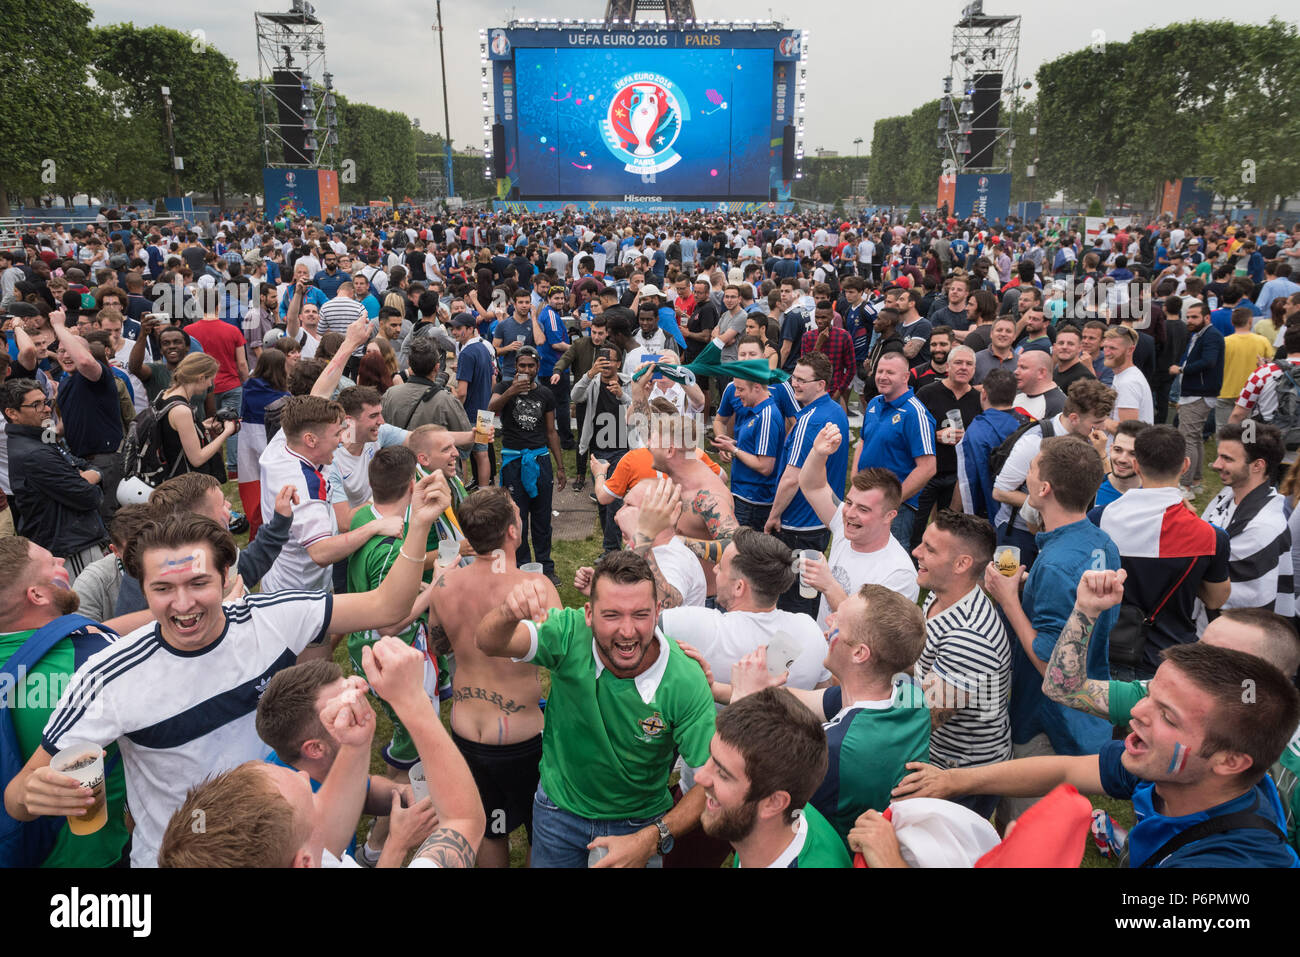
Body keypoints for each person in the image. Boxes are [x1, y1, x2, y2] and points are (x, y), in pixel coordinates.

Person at [6, 476, 448, 868]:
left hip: (294, 845)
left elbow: (387, 605)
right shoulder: (107, 674)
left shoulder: (270, 619)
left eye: (198, 583)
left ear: (225, 576)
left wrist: (420, 524)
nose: (182, 604)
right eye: (162, 589)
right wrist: (33, 796)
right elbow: (17, 796)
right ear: (143, 589)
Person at [897, 639, 1300, 867]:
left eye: (1169, 717)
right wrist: (953, 779)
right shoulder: (1171, 769)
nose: (1136, 715)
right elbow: (1067, 770)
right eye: (1149, 695)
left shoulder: (1230, 862)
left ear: (1230, 761)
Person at [475, 550, 716, 868]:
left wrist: (650, 838)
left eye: (640, 614)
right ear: (588, 614)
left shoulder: (684, 680)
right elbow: (488, 642)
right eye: (612, 615)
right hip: (558, 812)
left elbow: (709, 782)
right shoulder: (569, 633)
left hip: (639, 823)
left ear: (658, 611)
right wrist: (508, 611)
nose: (627, 632)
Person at [159, 636, 485, 867]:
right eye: (308, 795)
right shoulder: (308, 844)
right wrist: (413, 700)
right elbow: (463, 819)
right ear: (305, 861)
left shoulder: (290, 850)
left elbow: (330, 826)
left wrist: (357, 743)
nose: (303, 777)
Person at [715, 584, 930, 847]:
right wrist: (718, 688)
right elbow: (810, 702)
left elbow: (748, 794)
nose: (828, 620)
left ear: (859, 653)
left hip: (821, 852)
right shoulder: (909, 695)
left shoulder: (834, 749)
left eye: (838, 620)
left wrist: (740, 701)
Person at [982, 436, 1122, 823]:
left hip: (1048, 721)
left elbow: (1052, 667)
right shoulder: (1101, 541)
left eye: (1031, 467)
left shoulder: (1057, 566)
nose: (1025, 473)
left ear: (1044, 488)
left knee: (1028, 831)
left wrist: (1008, 598)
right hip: (1087, 711)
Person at [422, 487, 546, 867]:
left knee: (490, 829)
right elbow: (567, 658)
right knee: (540, 830)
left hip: (466, 731)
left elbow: (438, 644)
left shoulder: (444, 586)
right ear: (512, 531)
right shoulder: (534, 589)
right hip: (522, 736)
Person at [0, 537, 129, 867]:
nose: (61, 560)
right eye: (50, 563)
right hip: (91, 854)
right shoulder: (96, 662)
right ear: (38, 595)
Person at [1089, 424, 1231, 680]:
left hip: (1106, 649)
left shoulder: (1099, 518)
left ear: (1137, 466)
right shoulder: (1211, 537)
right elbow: (1215, 599)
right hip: (1168, 657)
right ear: (1186, 465)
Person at [253, 659, 417, 866]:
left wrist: (402, 794)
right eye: (343, 708)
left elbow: (361, 788)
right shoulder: (292, 829)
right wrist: (397, 844)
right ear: (315, 749)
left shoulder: (300, 763)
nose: (360, 704)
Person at [912, 510, 1011, 818]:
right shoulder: (941, 595)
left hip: (962, 777)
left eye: (930, 549)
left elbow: (923, 717)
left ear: (962, 564)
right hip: (942, 760)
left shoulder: (970, 639)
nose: (916, 552)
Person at [258, 395, 405, 598]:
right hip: (297, 596)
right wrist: (375, 526)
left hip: (279, 577)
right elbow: (321, 552)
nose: (342, 440)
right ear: (310, 440)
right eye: (337, 434)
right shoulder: (305, 490)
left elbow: (320, 389)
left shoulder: (281, 445)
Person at [660, 527, 831, 696]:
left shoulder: (696, 625)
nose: (714, 570)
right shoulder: (810, 630)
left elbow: (640, 619)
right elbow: (824, 695)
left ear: (739, 587)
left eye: (720, 567)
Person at [694, 688, 851, 868]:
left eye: (723, 774)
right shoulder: (776, 822)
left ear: (774, 802)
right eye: (711, 757)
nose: (700, 777)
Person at [797, 427, 919, 628]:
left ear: (890, 516)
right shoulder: (848, 525)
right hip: (825, 650)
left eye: (863, 509)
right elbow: (813, 486)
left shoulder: (899, 573)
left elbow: (871, 630)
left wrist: (828, 585)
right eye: (849, 502)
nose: (850, 513)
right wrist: (818, 453)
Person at [991, 378, 1114, 569]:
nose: (1103, 428)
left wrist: (1101, 454)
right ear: (1074, 418)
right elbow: (1000, 492)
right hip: (1017, 533)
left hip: (1062, 535)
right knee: (1007, 588)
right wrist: (1047, 505)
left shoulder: (1093, 441)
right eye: (1097, 423)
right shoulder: (1035, 440)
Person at [765, 352, 849, 616]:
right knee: (810, 590)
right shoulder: (836, 411)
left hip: (796, 524)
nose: (795, 385)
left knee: (793, 599)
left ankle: (796, 650)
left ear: (821, 385)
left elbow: (792, 478)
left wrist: (773, 515)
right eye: (793, 378)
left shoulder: (809, 420)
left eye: (802, 380)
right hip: (822, 519)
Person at [2, 377, 109, 582]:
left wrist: (92, 473)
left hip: (76, 539)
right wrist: (94, 476)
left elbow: (73, 459)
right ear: (12, 413)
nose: (46, 409)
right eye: (36, 405)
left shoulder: (43, 433)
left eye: (46, 401)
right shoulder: (34, 454)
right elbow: (89, 497)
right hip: (72, 547)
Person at [489, 347, 566, 585]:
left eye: (530, 366)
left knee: (542, 518)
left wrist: (560, 466)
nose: (525, 370)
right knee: (517, 516)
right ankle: (521, 565)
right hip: (514, 461)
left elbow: (551, 431)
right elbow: (491, 408)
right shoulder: (503, 387)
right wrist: (511, 391)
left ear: (537, 367)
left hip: (539, 459)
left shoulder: (545, 394)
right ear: (515, 366)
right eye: (521, 366)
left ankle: (545, 566)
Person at [1202, 423, 1295, 618]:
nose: (1216, 464)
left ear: (1257, 466)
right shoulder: (1227, 494)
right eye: (1219, 456)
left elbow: (1216, 597)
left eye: (1227, 458)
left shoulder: (1262, 527)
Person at [853, 351, 937, 547]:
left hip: (895, 510)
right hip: (866, 499)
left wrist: (893, 501)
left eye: (890, 372)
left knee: (887, 561)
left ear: (905, 377)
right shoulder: (874, 403)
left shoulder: (915, 413)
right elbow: (864, 441)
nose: (882, 377)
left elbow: (928, 467)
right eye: (879, 371)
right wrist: (855, 478)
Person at [709, 361, 786, 532]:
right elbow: (754, 449)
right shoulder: (756, 412)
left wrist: (734, 450)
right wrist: (732, 446)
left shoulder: (766, 416)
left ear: (757, 387)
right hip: (745, 496)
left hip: (754, 501)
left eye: (741, 389)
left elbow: (765, 466)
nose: (736, 394)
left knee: (745, 555)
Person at [1170, 300, 1223, 497]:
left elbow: (1209, 361)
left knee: (1188, 439)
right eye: (1188, 317)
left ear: (1206, 318)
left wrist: (1181, 369)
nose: (1190, 320)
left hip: (1198, 393)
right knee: (1195, 437)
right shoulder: (1200, 335)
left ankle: (1185, 486)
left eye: (1194, 317)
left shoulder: (1211, 336)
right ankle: (1196, 481)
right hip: (1195, 392)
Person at [156, 352, 236, 481]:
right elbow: (197, 459)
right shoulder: (182, 411)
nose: (210, 385)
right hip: (185, 482)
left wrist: (201, 425)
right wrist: (226, 433)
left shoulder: (165, 395)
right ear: (200, 378)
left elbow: (171, 432)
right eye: (210, 379)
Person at [450, 313, 495, 488]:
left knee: (461, 456)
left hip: (467, 414)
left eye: (459, 328)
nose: (454, 332)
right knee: (482, 454)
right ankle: (485, 493)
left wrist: (453, 400)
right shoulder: (484, 348)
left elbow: (461, 392)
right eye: (453, 328)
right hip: (483, 412)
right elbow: (493, 382)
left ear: (470, 329)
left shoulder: (467, 353)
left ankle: (460, 494)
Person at [1217, 306, 1275, 429]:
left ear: (1232, 322)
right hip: (1252, 393)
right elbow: (1270, 364)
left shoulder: (1224, 342)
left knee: (1223, 429)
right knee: (1248, 431)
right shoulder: (1262, 341)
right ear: (1250, 321)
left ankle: (1223, 448)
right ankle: (1246, 448)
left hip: (1225, 390)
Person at [1103, 325, 1154, 427]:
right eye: (1105, 346)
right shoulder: (1125, 376)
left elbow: (1128, 431)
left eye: (1112, 348)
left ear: (1130, 350)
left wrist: (1097, 420)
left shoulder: (1128, 383)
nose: (1106, 352)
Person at [1094, 419, 1144, 506]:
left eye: (1133, 453)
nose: (1122, 459)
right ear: (1111, 449)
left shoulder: (1155, 495)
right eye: (1118, 450)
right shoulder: (1091, 491)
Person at [1012, 350, 1064, 420]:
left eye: (1023, 367)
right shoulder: (1018, 395)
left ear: (1041, 373)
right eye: (1017, 367)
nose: (1016, 372)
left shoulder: (1058, 406)